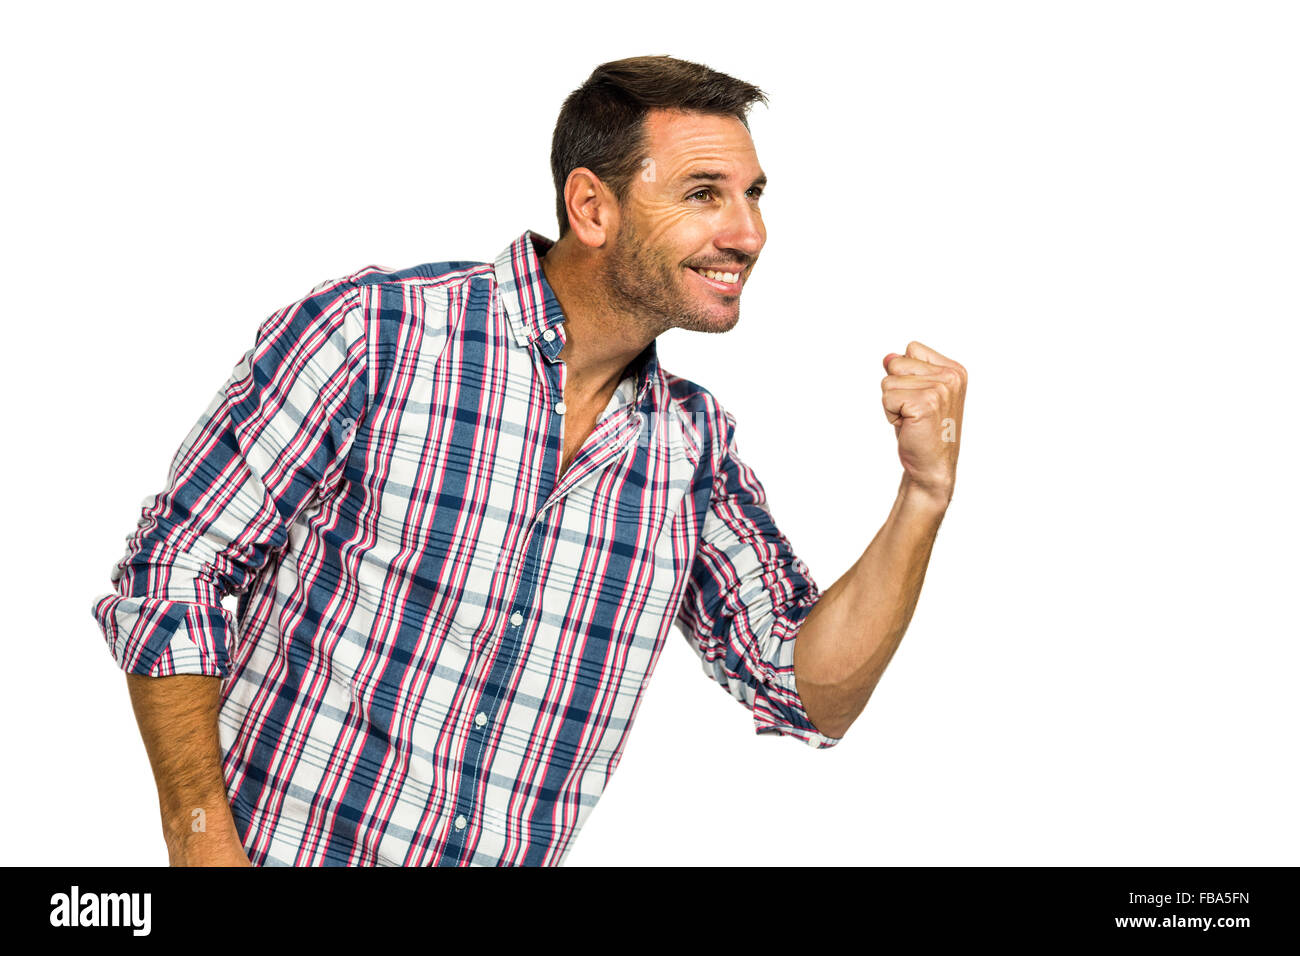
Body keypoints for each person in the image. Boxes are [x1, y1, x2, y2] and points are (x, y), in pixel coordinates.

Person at [91, 54, 967, 867]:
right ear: (592, 208)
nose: (749, 232)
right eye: (706, 193)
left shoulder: (692, 449)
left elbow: (807, 692)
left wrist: (922, 494)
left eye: (755, 194)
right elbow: (176, 570)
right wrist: (200, 841)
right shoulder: (378, 335)